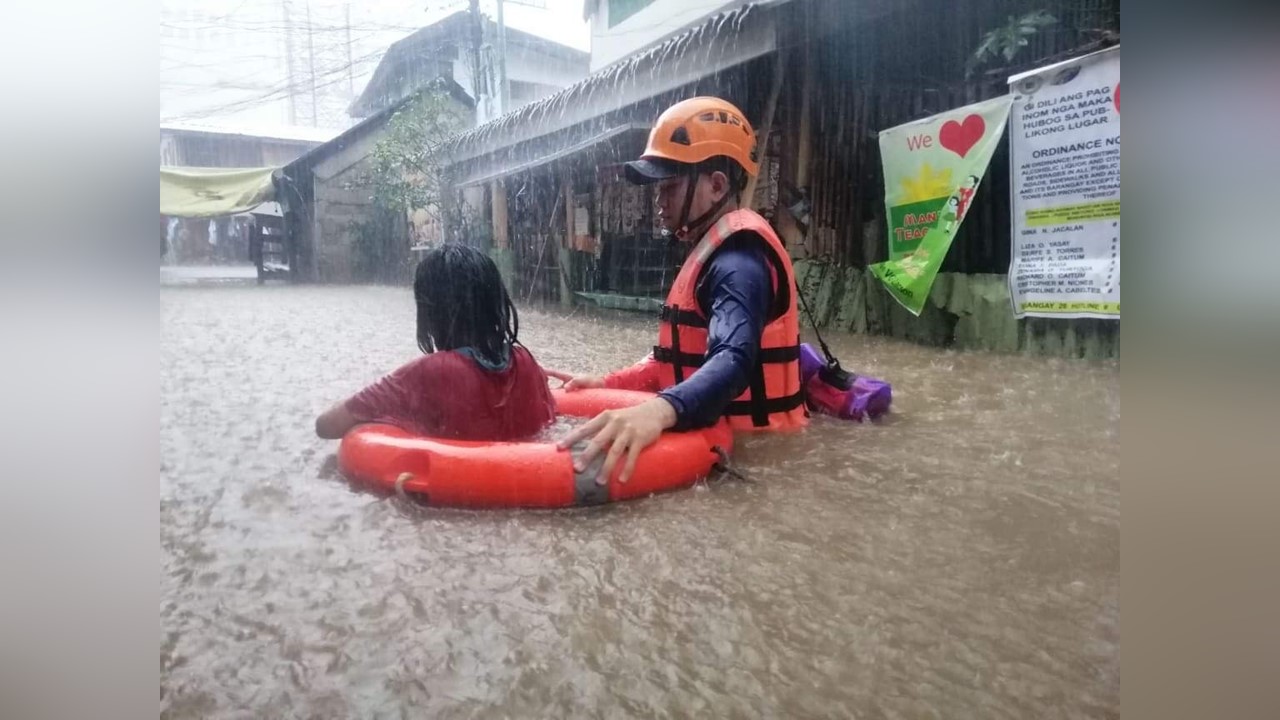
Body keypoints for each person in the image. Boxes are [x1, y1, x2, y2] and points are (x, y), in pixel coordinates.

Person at [549, 96, 807, 485]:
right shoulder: (713, 250)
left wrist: (658, 411)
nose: (658, 203)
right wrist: (607, 384)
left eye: (668, 188)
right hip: (728, 443)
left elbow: (734, 359)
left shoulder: (738, 263)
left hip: (757, 459)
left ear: (717, 186)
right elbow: (674, 362)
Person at [315, 243, 556, 441]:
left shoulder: (432, 371)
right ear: (497, 302)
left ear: (430, 312)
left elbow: (326, 426)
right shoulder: (525, 363)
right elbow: (549, 419)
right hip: (525, 482)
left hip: (458, 493)